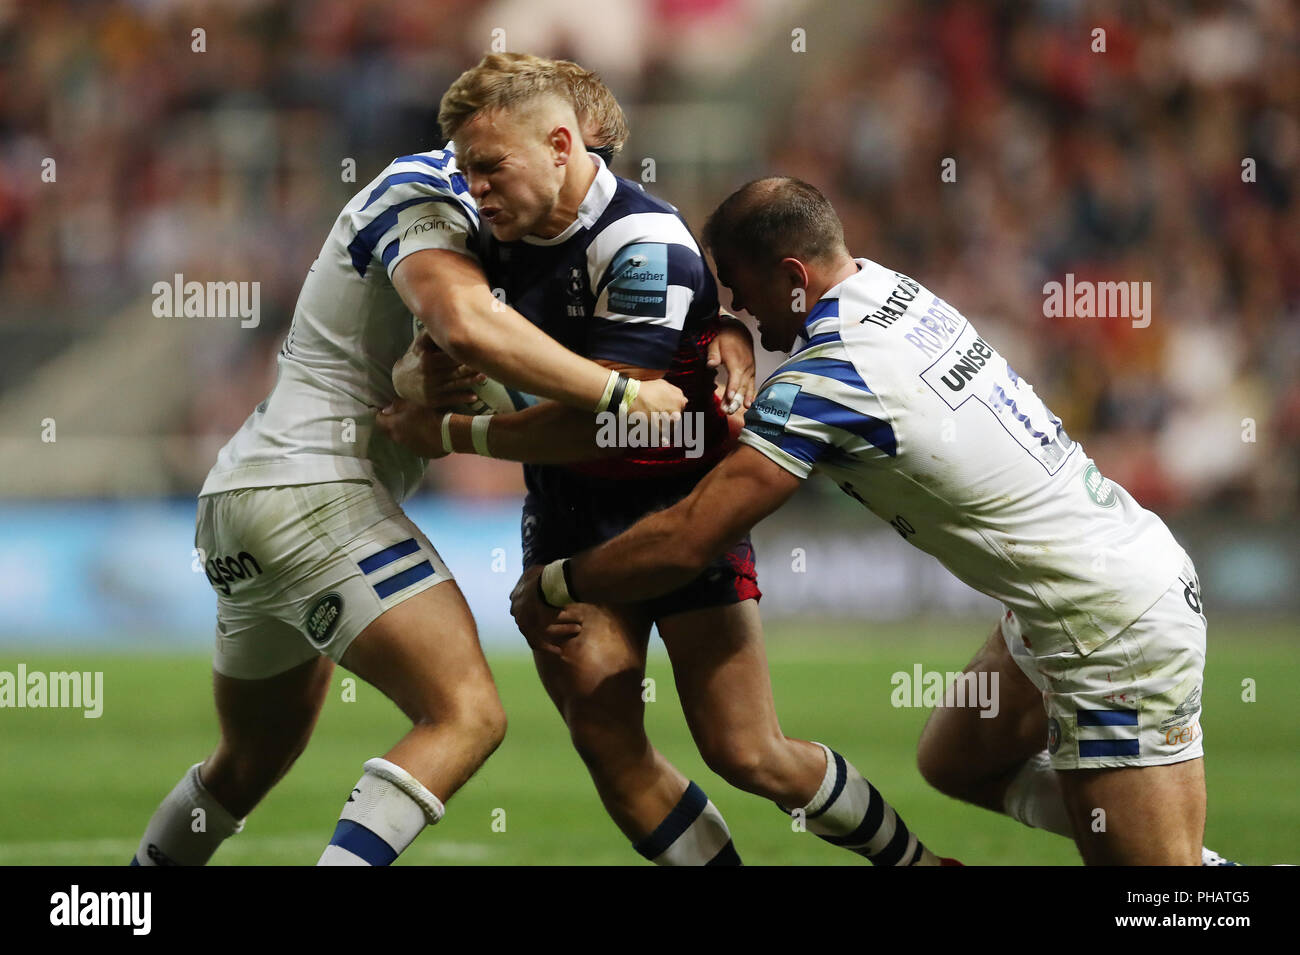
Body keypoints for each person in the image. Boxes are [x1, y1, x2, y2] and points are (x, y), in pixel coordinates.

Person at [512, 176, 1217, 865]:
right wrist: (722, 327)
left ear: (792, 274)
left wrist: (557, 583)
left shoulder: (826, 377)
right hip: (1084, 585)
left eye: (740, 288)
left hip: (1110, 625)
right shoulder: (893, 291)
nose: (741, 309)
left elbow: (690, 537)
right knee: (957, 761)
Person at [377, 56, 952, 866]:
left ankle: (919, 865)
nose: (473, 186)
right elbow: (421, 354)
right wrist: (425, 372)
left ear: (560, 144)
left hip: (682, 510)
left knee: (747, 750)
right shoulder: (479, 235)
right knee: (608, 742)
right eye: (466, 168)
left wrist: (449, 435)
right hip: (568, 515)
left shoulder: (644, 244)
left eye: (489, 165)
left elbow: (608, 423)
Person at [130, 58, 687, 867]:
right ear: (552, 140)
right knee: (466, 714)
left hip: (251, 499)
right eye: (483, 161)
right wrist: (620, 396)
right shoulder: (428, 191)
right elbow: (463, 323)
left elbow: (458, 358)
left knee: (245, 765)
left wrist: (729, 336)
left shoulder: (523, 247)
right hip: (312, 486)